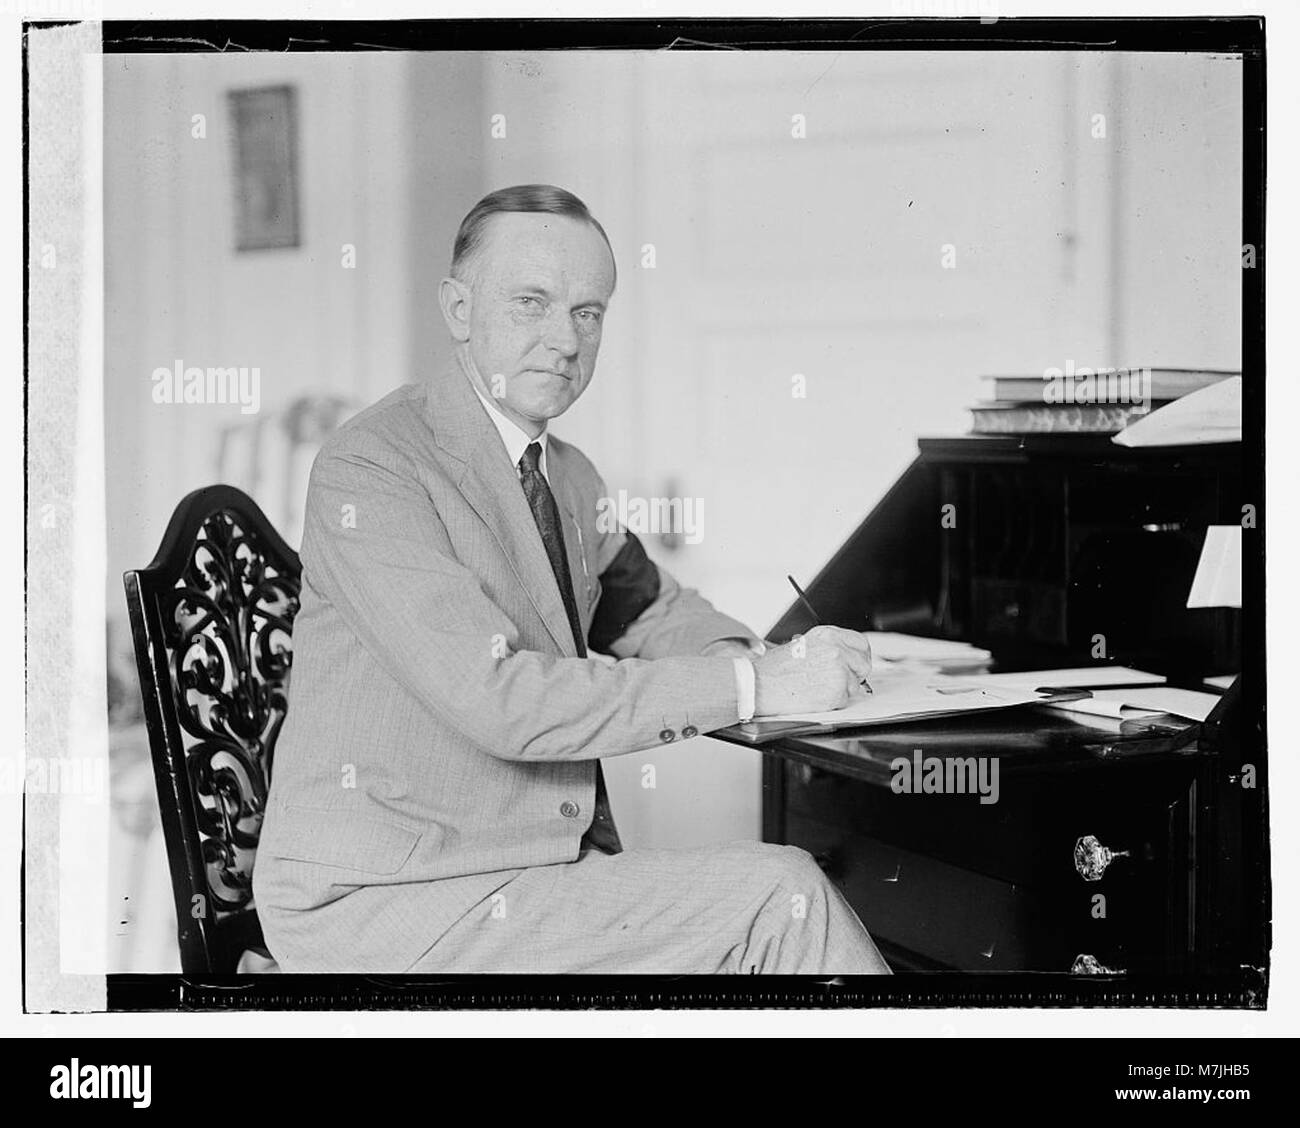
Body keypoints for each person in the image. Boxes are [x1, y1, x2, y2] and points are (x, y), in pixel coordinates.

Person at [254, 184, 890, 974]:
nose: (565, 339)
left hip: (522, 866)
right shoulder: (375, 465)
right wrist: (755, 683)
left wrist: (773, 659)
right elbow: (500, 699)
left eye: (588, 313)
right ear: (458, 308)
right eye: (532, 302)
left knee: (773, 906)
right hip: (385, 893)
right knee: (780, 898)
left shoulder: (569, 475)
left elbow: (649, 607)